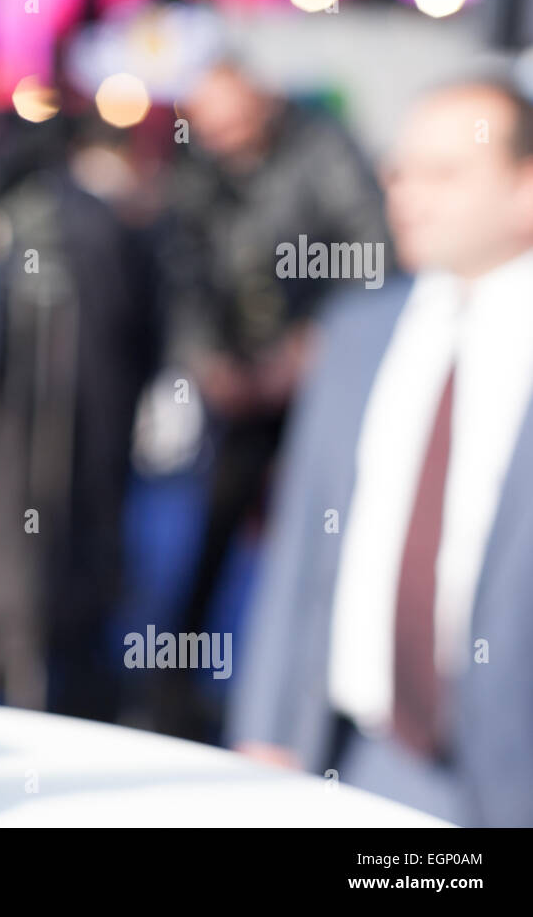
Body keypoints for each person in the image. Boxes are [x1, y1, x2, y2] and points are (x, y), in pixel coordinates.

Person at [227, 76, 533, 825]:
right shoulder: (358, 331)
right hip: (357, 760)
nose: (408, 195)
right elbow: (300, 547)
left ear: (527, 189)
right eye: (400, 170)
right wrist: (267, 729)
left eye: (445, 174)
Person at [155, 60, 392, 740]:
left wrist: (314, 345)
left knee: (322, 532)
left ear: (261, 103)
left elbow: (373, 251)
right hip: (240, 380)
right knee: (214, 530)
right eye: (208, 126)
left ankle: (318, 707)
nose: (221, 137)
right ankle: (174, 689)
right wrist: (206, 359)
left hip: (321, 375)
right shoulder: (198, 170)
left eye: (231, 121)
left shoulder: (323, 148)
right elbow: (184, 268)